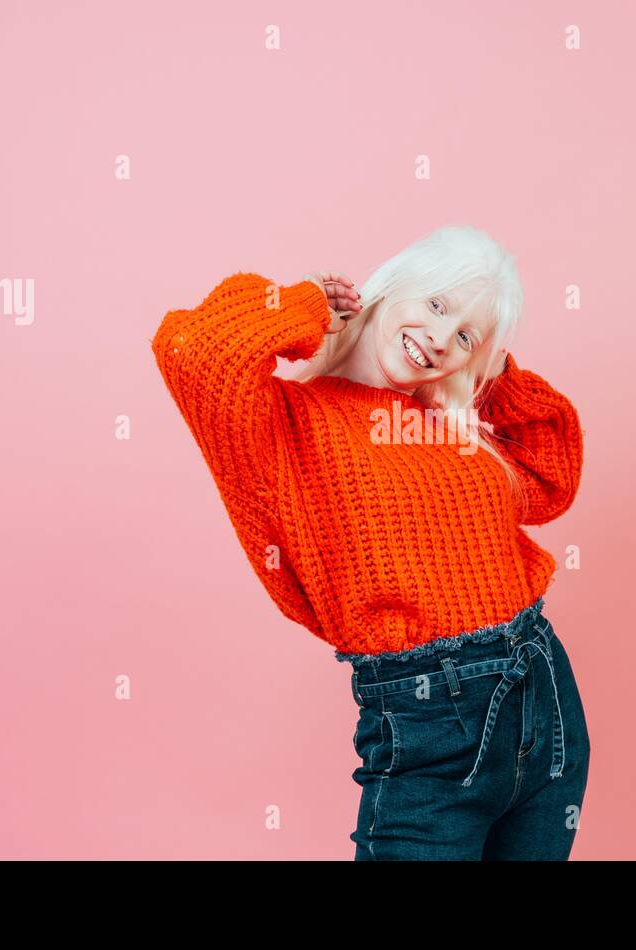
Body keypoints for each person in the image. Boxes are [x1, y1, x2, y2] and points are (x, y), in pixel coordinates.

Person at [151, 224, 589, 859]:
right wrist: (302, 308)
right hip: (428, 720)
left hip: (545, 699)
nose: (440, 339)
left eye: (465, 334)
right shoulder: (285, 423)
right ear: (390, 289)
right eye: (436, 304)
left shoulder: (450, 427)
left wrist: (492, 370)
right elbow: (191, 347)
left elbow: (553, 476)